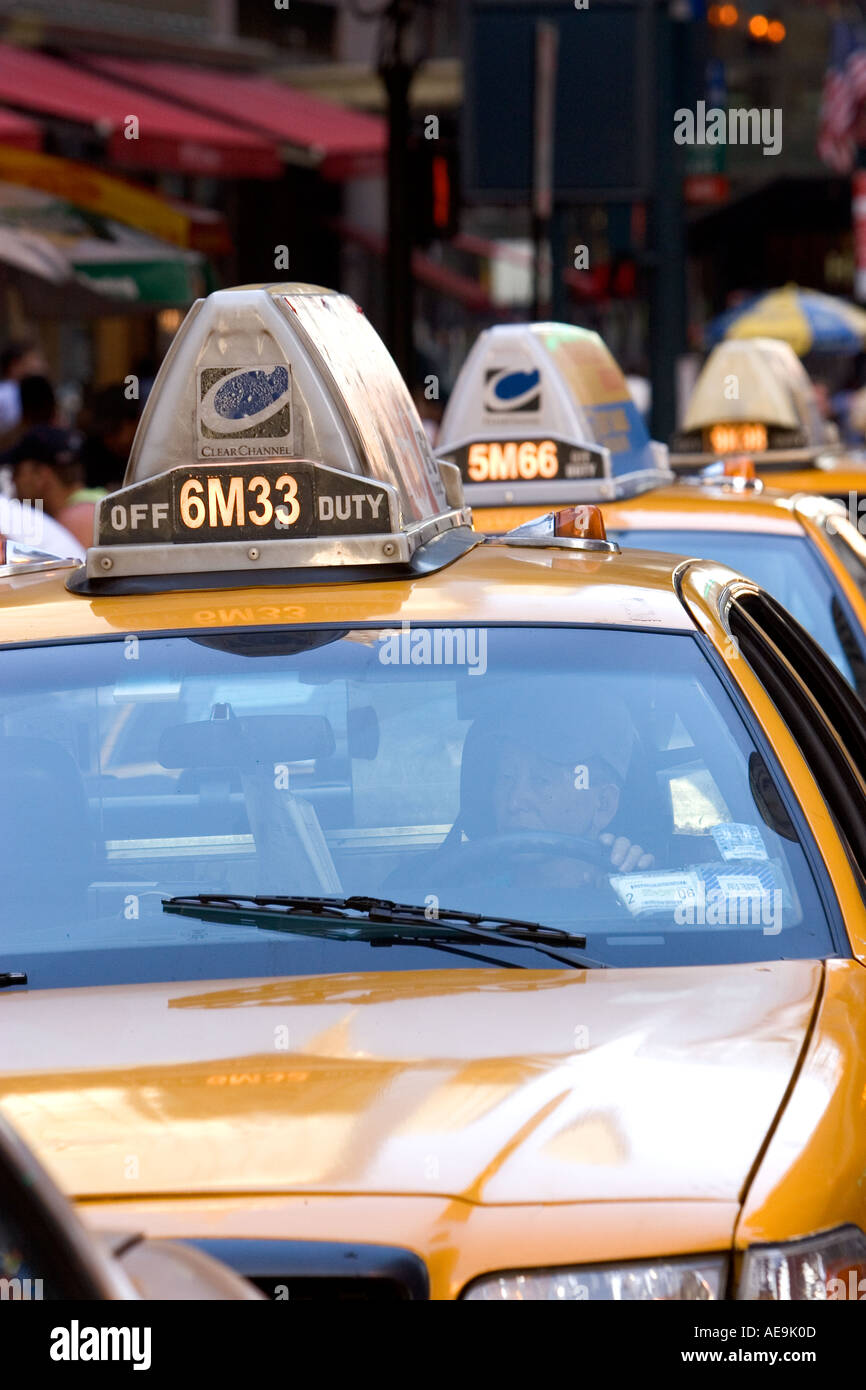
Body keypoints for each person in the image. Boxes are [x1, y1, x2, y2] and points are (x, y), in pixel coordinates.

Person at [2, 426, 101, 552]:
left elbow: (72, 571)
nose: (13, 481)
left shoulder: (74, 520)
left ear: (41, 475)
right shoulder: (95, 503)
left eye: (16, 472)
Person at [76, 384, 140, 493]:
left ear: (136, 423)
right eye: (104, 433)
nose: (110, 440)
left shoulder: (151, 454)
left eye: (115, 431)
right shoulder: (94, 453)